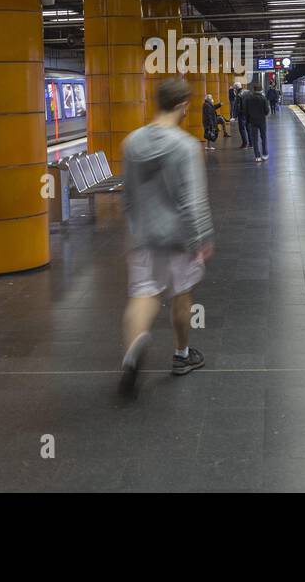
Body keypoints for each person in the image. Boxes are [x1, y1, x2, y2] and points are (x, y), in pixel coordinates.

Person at [119, 77, 214, 396]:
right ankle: (182, 355)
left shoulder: (131, 143)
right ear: (184, 105)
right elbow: (193, 198)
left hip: (144, 234)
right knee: (182, 294)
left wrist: (134, 225)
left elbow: (128, 192)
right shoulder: (186, 146)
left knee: (144, 293)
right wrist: (202, 236)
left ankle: (134, 348)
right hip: (178, 237)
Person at [243, 81, 271, 162]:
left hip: (252, 121)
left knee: (254, 139)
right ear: (261, 90)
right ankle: (265, 154)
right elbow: (266, 110)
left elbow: (245, 111)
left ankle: (257, 156)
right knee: (263, 137)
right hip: (262, 121)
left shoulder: (248, 99)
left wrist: (248, 120)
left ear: (254, 90)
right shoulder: (263, 98)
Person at [232, 81, 250, 148]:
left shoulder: (239, 95)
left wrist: (234, 116)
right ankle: (251, 143)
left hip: (242, 114)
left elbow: (237, 106)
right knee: (249, 128)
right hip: (248, 113)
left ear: (236, 88)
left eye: (234, 88)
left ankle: (244, 143)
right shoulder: (247, 92)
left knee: (242, 129)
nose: (234, 90)